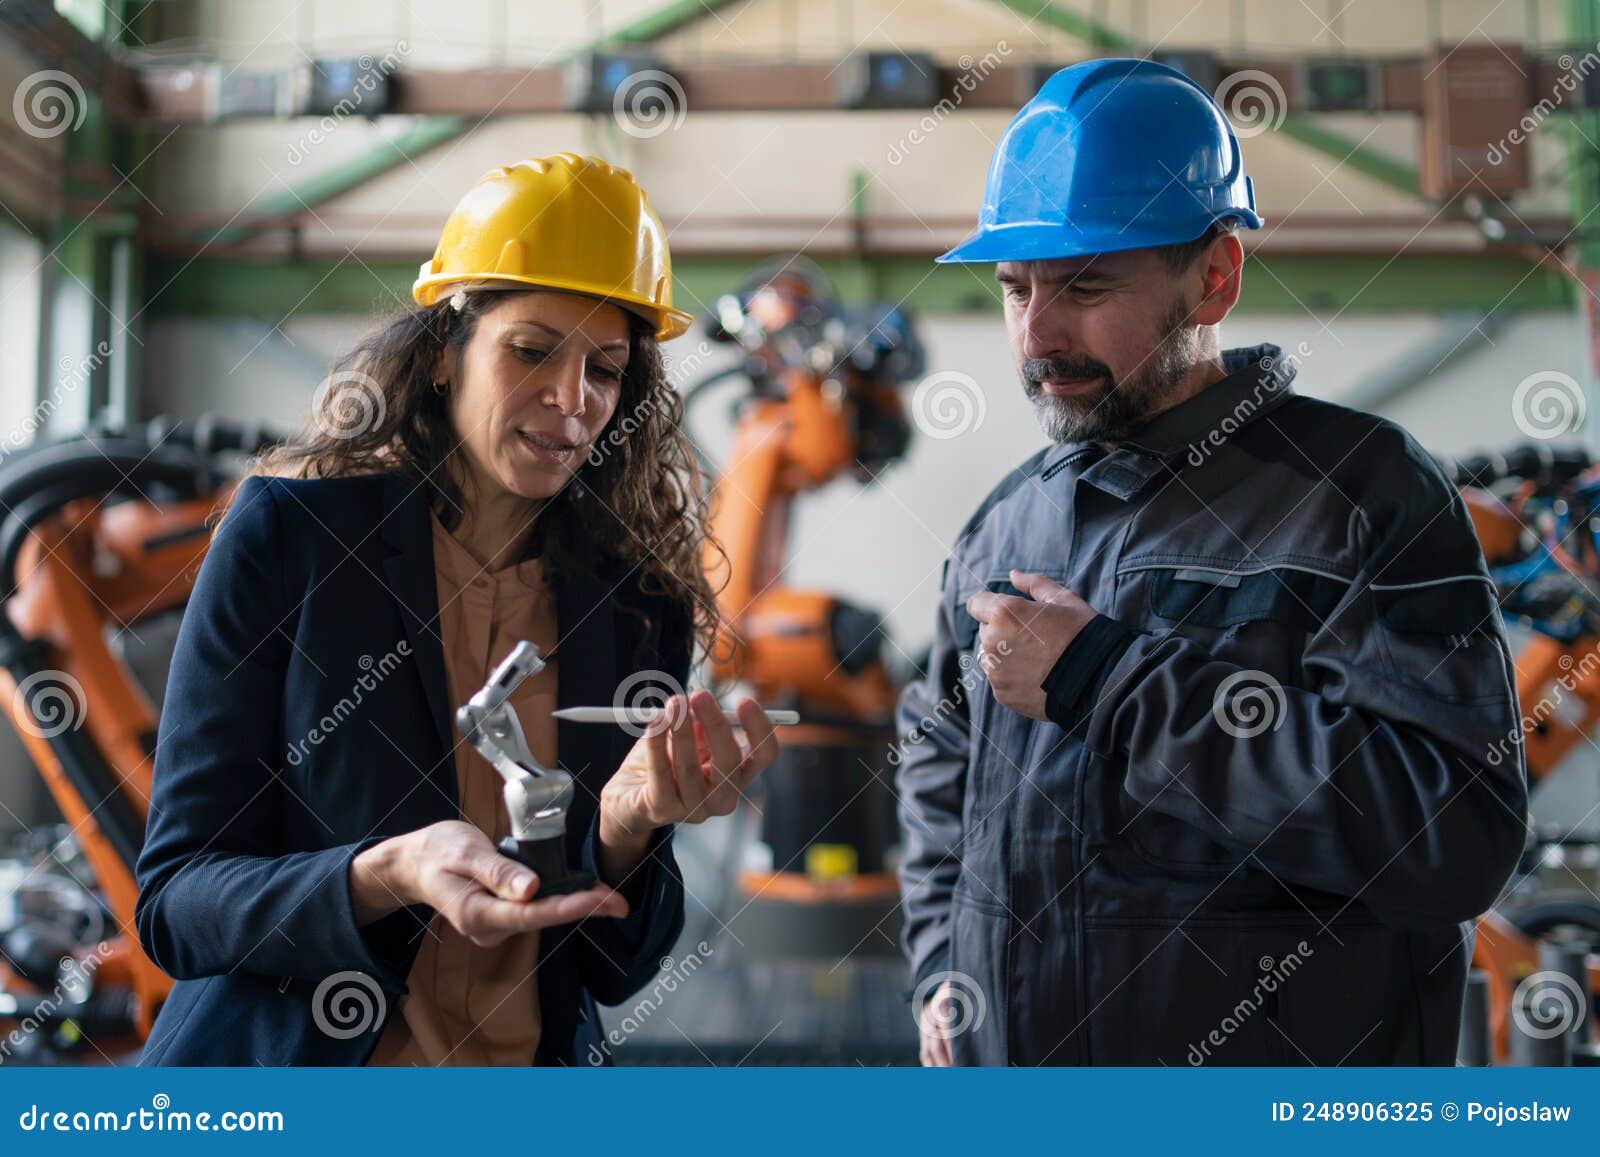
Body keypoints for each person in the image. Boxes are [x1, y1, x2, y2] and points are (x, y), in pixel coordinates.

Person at [896, 59, 1527, 1066]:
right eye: (1016, 288)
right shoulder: (1004, 525)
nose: (1038, 334)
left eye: (1086, 285)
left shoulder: (1362, 496)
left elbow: (1455, 837)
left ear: (1215, 276)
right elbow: (934, 763)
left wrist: (1109, 679)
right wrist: (938, 967)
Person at [134, 153, 778, 1066]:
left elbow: (611, 969)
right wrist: (387, 873)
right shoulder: (294, 540)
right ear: (444, 348)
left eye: (605, 368)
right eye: (531, 349)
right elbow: (176, 901)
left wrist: (629, 830)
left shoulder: (637, 605)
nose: (572, 400)